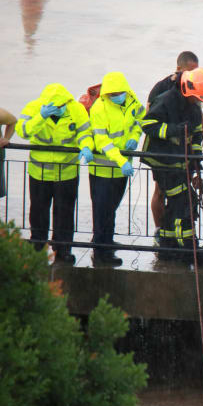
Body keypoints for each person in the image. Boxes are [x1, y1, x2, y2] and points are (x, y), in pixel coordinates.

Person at [16, 83, 94, 264]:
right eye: (54, 107)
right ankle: (37, 245)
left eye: (61, 106)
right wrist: (40, 117)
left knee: (65, 212)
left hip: (66, 172)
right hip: (40, 173)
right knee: (38, 210)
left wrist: (86, 146)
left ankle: (63, 248)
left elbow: (84, 133)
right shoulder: (34, 108)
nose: (58, 109)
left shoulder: (76, 109)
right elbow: (23, 131)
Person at [141, 67, 203, 259]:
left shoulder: (192, 108)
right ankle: (188, 247)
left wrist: (197, 163)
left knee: (178, 203)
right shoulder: (166, 101)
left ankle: (168, 244)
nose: (199, 102)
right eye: (197, 98)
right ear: (189, 91)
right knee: (183, 202)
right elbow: (147, 125)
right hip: (163, 161)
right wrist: (173, 130)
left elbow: (196, 135)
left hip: (181, 162)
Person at [87, 71, 145, 267]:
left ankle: (107, 242)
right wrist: (121, 160)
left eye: (118, 93)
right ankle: (100, 251)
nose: (115, 97)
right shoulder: (99, 108)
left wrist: (135, 138)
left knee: (112, 208)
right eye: (112, 94)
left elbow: (140, 122)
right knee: (101, 210)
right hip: (102, 170)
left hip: (121, 170)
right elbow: (101, 140)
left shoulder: (132, 102)